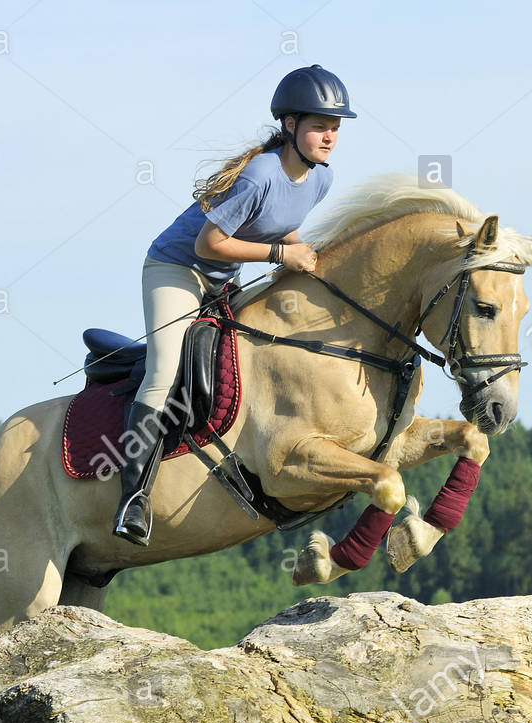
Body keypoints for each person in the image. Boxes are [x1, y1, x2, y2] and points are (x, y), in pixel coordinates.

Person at [113, 64, 357, 546]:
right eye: (318, 127)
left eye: (334, 128)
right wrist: (281, 254)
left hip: (224, 277)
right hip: (178, 269)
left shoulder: (320, 179)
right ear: (290, 126)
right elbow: (210, 243)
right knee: (164, 374)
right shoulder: (259, 174)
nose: (329, 137)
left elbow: (278, 225)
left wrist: (304, 252)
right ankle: (132, 500)